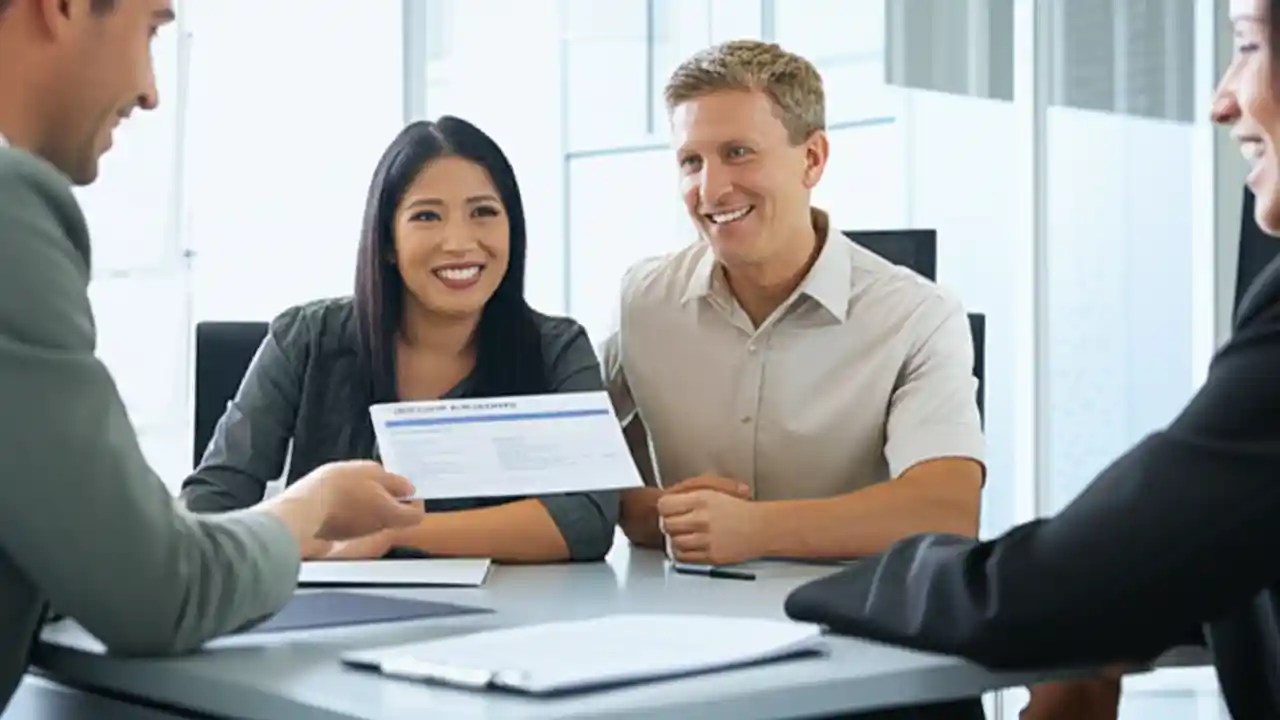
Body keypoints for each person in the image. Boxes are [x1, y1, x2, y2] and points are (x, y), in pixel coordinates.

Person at [783, 0, 1280, 717]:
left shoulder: (918, 311)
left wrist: (810, 592)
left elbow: (1030, 593)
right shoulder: (648, 304)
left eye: (1249, 46)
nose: (1222, 98)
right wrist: (1119, 603)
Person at [0, 0, 424, 712]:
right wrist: (307, 508)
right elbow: (158, 589)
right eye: (150, 31)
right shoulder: (12, 216)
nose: (150, 90)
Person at [601, 40, 988, 719]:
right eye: (691, 161)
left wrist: (755, 528)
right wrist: (649, 511)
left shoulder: (917, 314)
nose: (711, 188)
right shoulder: (645, 300)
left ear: (812, 159)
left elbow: (945, 511)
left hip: (864, 659)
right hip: (690, 653)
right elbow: (582, 471)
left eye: (739, 153)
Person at [181, 117, 619, 563]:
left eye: (483, 212)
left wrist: (393, 532)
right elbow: (211, 503)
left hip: (507, 621)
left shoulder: (557, 349)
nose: (459, 241)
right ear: (387, 240)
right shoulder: (305, 339)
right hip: (329, 615)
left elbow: (588, 519)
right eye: (427, 216)